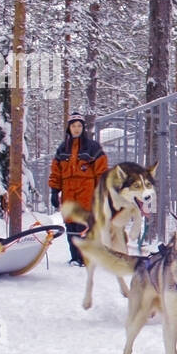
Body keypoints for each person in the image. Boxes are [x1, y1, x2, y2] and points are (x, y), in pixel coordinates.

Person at [48, 111, 108, 265]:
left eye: (79, 126)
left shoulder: (93, 147)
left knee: (83, 223)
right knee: (70, 223)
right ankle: (74, 257)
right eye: (73, 126)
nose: (76, 129)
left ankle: (85, 257)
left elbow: (101, 172)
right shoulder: (63, 149)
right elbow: (56, 171)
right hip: (68, 190)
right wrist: (55, 191)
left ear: (83, 128)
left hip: (87, 189)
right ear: (69, 128)